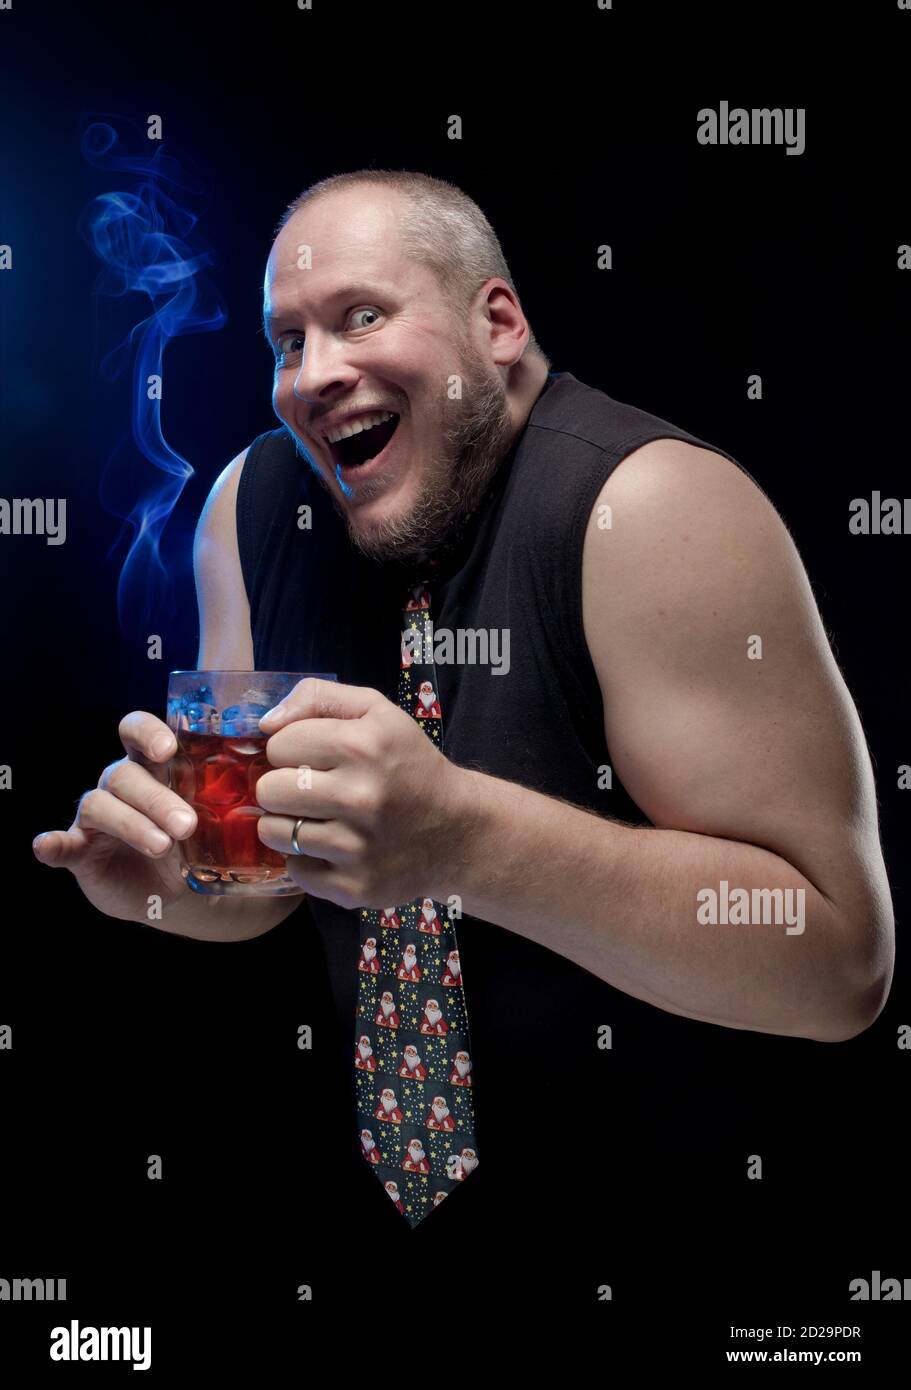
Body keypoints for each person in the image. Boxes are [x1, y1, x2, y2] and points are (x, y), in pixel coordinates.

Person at [32, 170, 895, 1270]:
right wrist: (165, 881)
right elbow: (257, 882)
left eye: (361, 317)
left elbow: (836, 967)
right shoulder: (250, 508)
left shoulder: (655, 508)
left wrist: (466, 842)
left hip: (693, 1234)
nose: (316, 374)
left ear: (497, 323)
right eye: (286, 341)